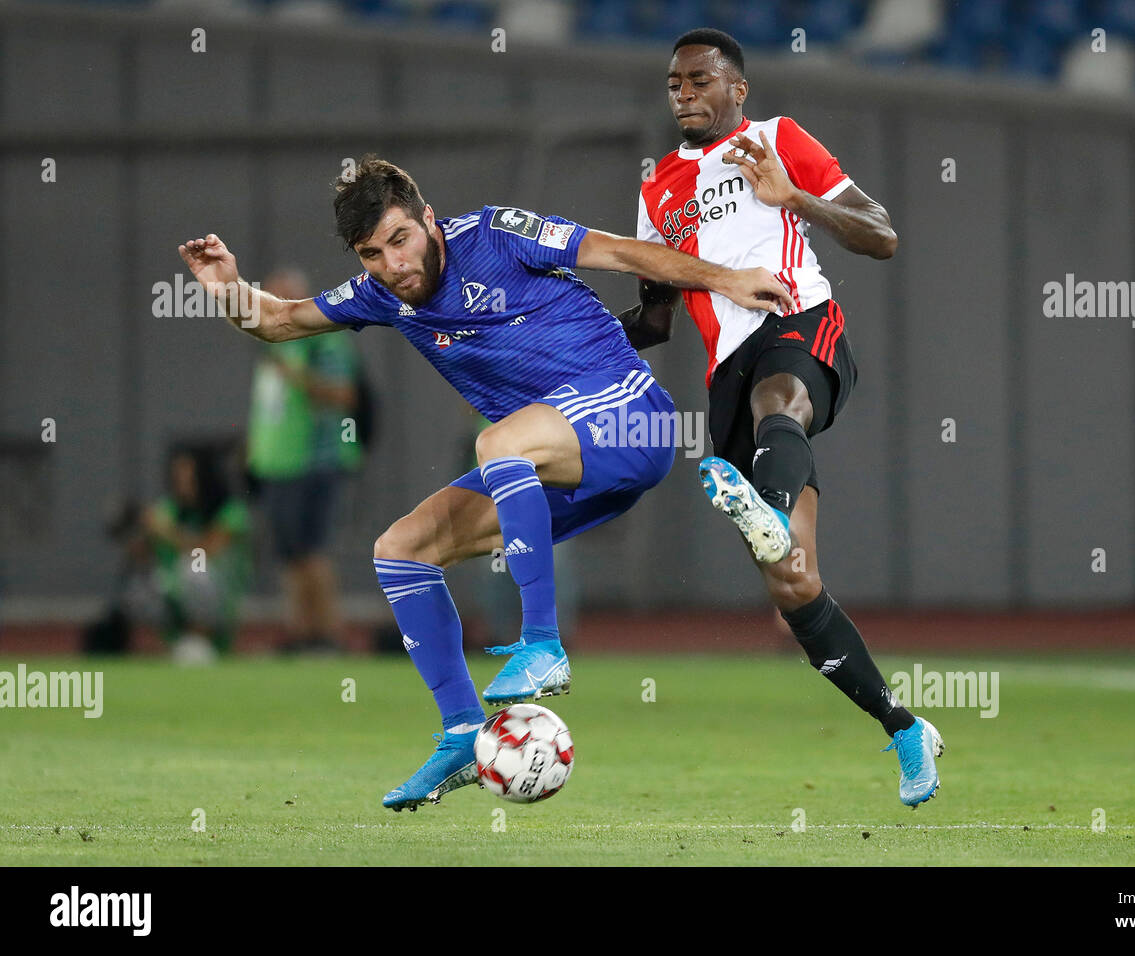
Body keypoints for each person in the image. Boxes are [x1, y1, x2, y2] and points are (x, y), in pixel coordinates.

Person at [179, 155, 792, 810]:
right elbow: (280, 321)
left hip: (628, 417)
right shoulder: (381, 294)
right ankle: (461, 733)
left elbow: (618, 251)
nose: (393, 265)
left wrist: (728, 279)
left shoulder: (498, 234)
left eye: (400, 240)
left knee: (497, 441)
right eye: (372, 254)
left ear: (428, 221)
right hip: (557, 460)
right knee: (400, 549)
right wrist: (228, 288)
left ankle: (543, 644)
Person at [621, 28, 944, 807]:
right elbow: (657, 319)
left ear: (738, 89)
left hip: (802, 322)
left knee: (782, 401)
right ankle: (903, 727)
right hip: (726, 374)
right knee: (794, 582)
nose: (685, 94)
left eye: (701, 81)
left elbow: (884, 236)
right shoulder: (658, 187)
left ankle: (764, 502)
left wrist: (792, 197)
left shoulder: (778, 140)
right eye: (675, 84)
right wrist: (558, 336)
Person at [246, 266, 363, 654]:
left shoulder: (322, 342)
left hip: (314, 462)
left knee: (313, 551)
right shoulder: (273, 349)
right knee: (290, 553)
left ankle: (327, 635)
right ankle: (299, 634)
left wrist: (298, 377)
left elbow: (345, 396)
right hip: (277, 466)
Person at [122, 444, 251, 663]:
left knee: (193, 568)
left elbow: (206, 551)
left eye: (189, 475)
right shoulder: (169, 508)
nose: (182, 482)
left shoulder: (230, 510)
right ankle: (178, 644)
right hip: (175, 591)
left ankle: (202, 641)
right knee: (140, 589)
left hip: (218, 593)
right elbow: (143, 555)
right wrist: (139, 534)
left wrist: (168, 532)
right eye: (178, 475)